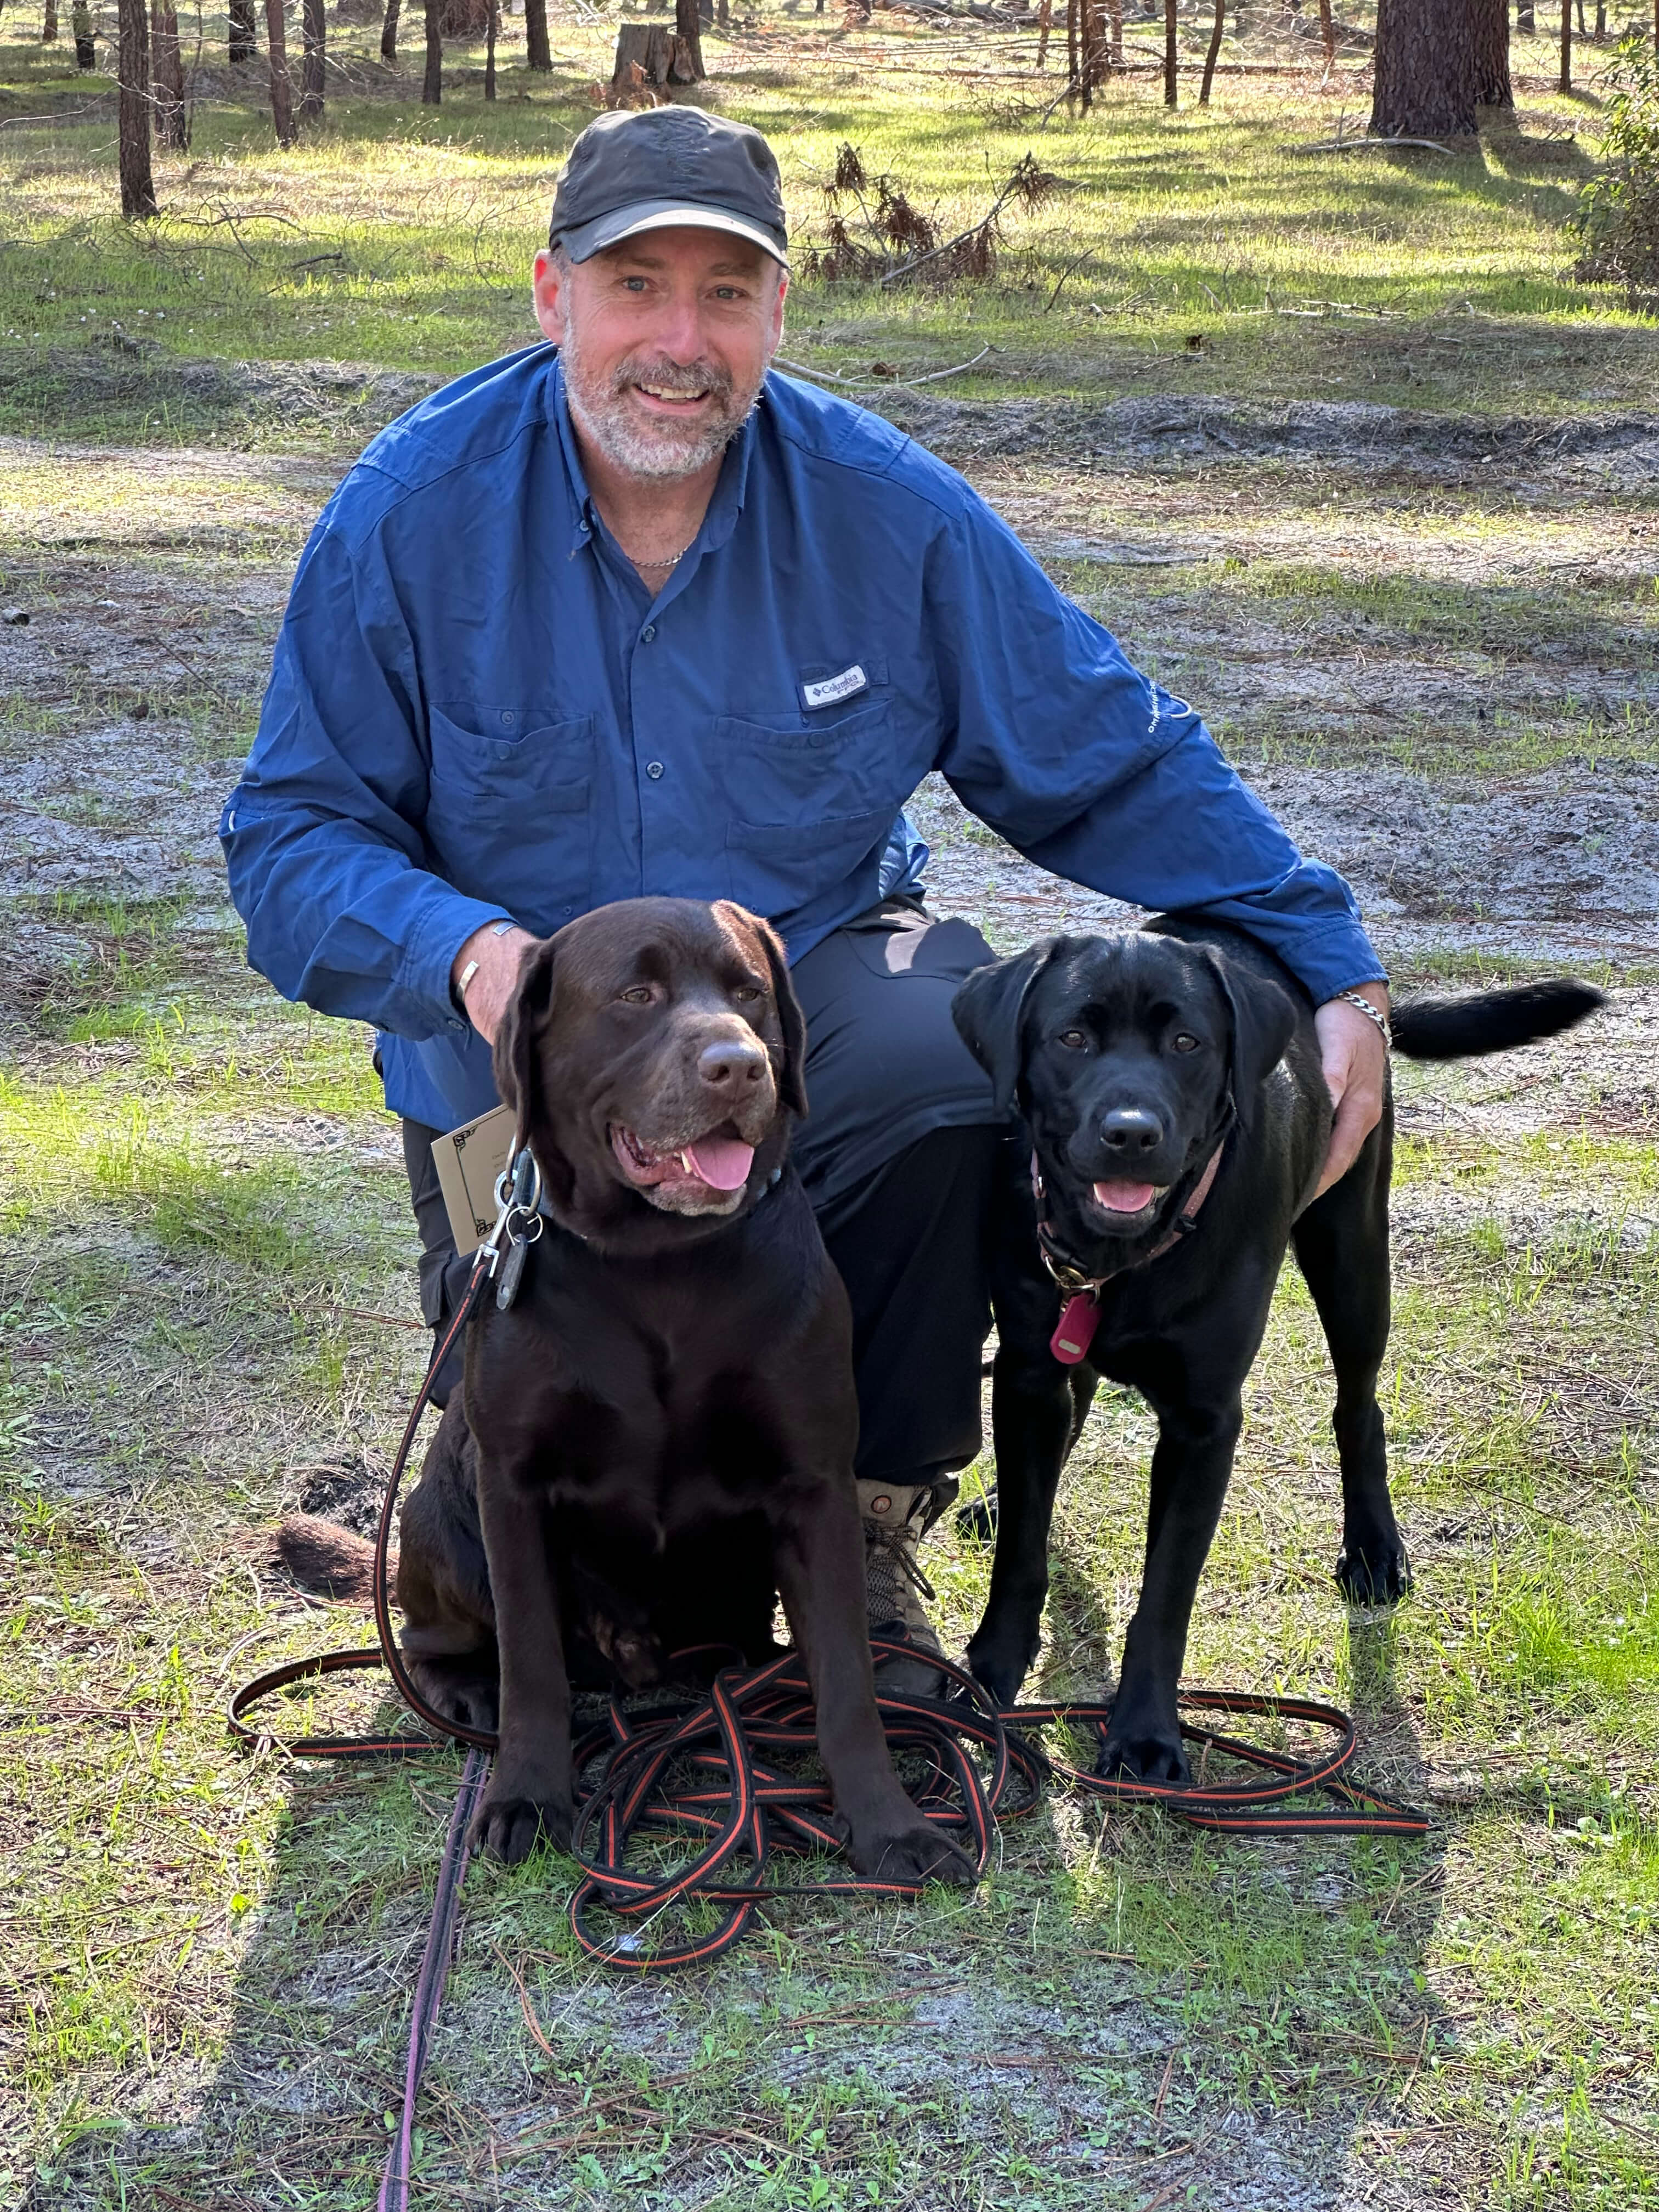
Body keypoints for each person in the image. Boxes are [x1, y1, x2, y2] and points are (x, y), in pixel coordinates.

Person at [222, 107, 1390, 1694]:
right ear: (553, 294)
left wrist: (1331, 962)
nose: (680, 343)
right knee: (584, 1459)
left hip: (802, 985)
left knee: (948, 1068)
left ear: (780, 311)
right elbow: (291, 837)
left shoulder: (885, 510)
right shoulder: (409, 514)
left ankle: (870, 1523)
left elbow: (1107, 753)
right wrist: (472, 955)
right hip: (527, 1051)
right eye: (636, 286)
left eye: (727, 294)